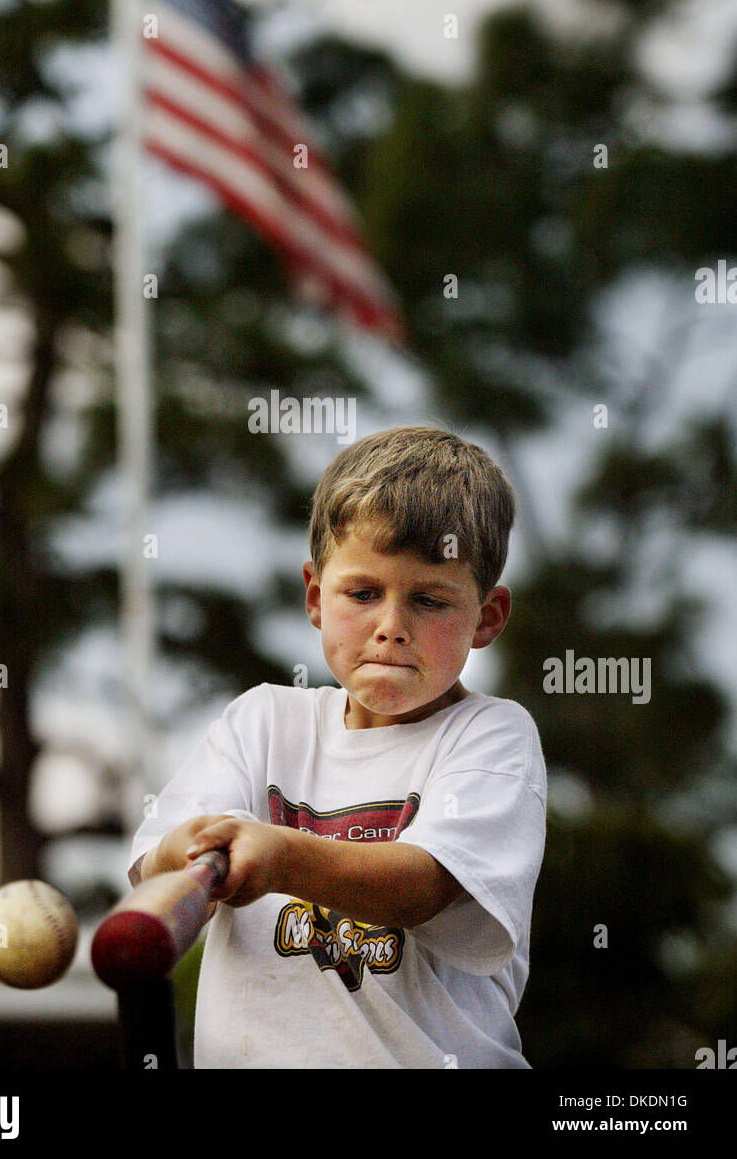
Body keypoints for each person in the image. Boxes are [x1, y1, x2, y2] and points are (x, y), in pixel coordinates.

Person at [128, 425, 547, 1068]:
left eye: (430, 600)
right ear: (316, 596)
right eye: (363, 593)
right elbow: (160, 875)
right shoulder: (261, 722)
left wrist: (278, 856)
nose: (391, 628)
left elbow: (421, 887)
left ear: (487, 617)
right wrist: (188, 854)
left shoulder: (492, 736)